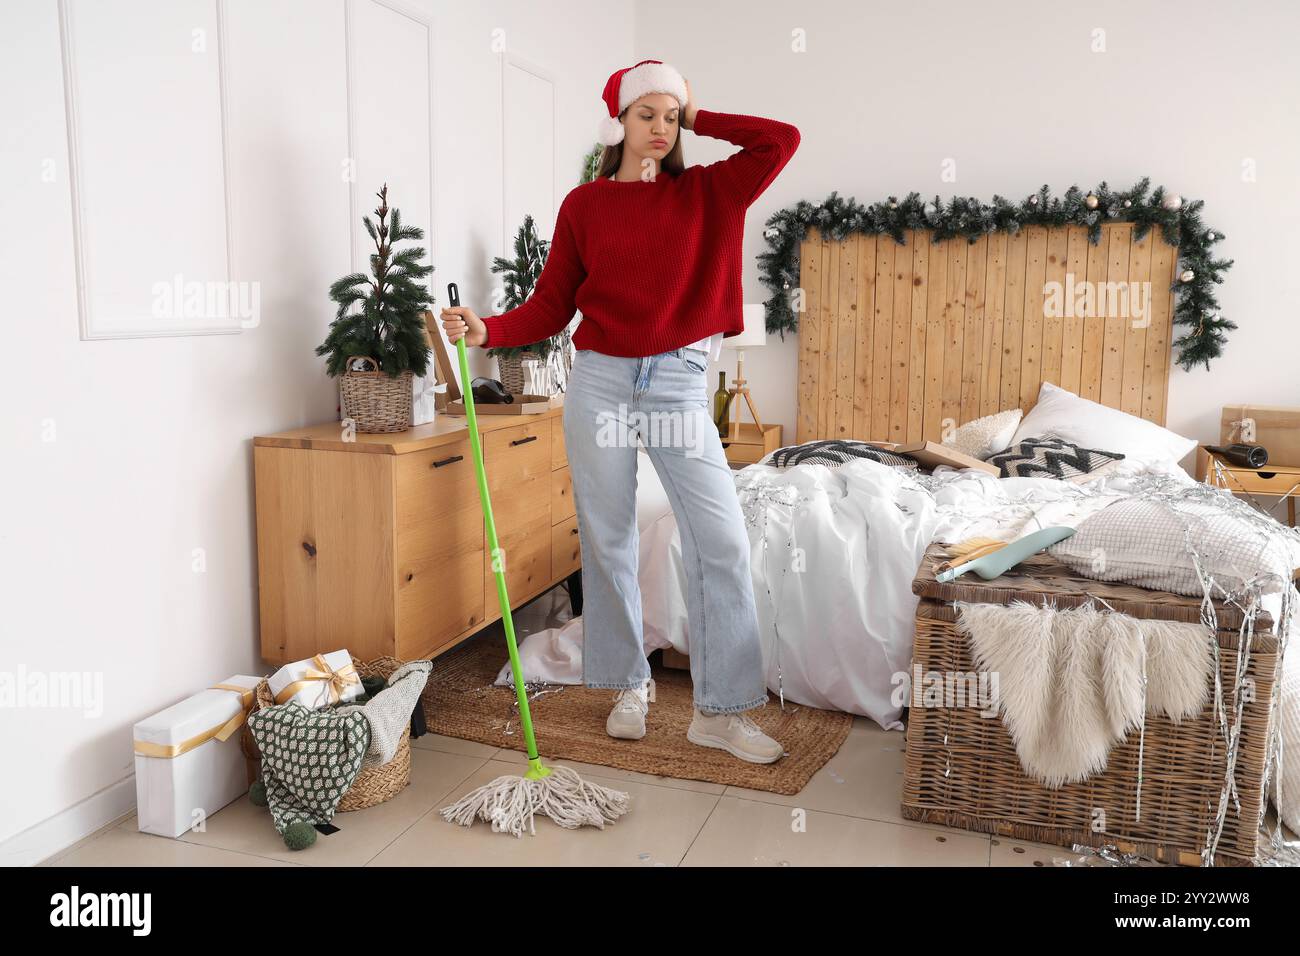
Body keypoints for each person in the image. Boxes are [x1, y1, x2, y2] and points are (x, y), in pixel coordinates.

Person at [442, 59, 800, 764]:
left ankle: (721, 712)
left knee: (720, 540)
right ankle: (629, 685)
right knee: (607, 539)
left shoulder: (711, 191)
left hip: (675, 381)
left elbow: (779, 139)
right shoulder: (586, 206)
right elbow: (552, 305)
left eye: (671, 117)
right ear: (620, 124)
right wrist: (487, 330)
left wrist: (696, 112)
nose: (661, 128)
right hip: (600, 379)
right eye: (647, 115)